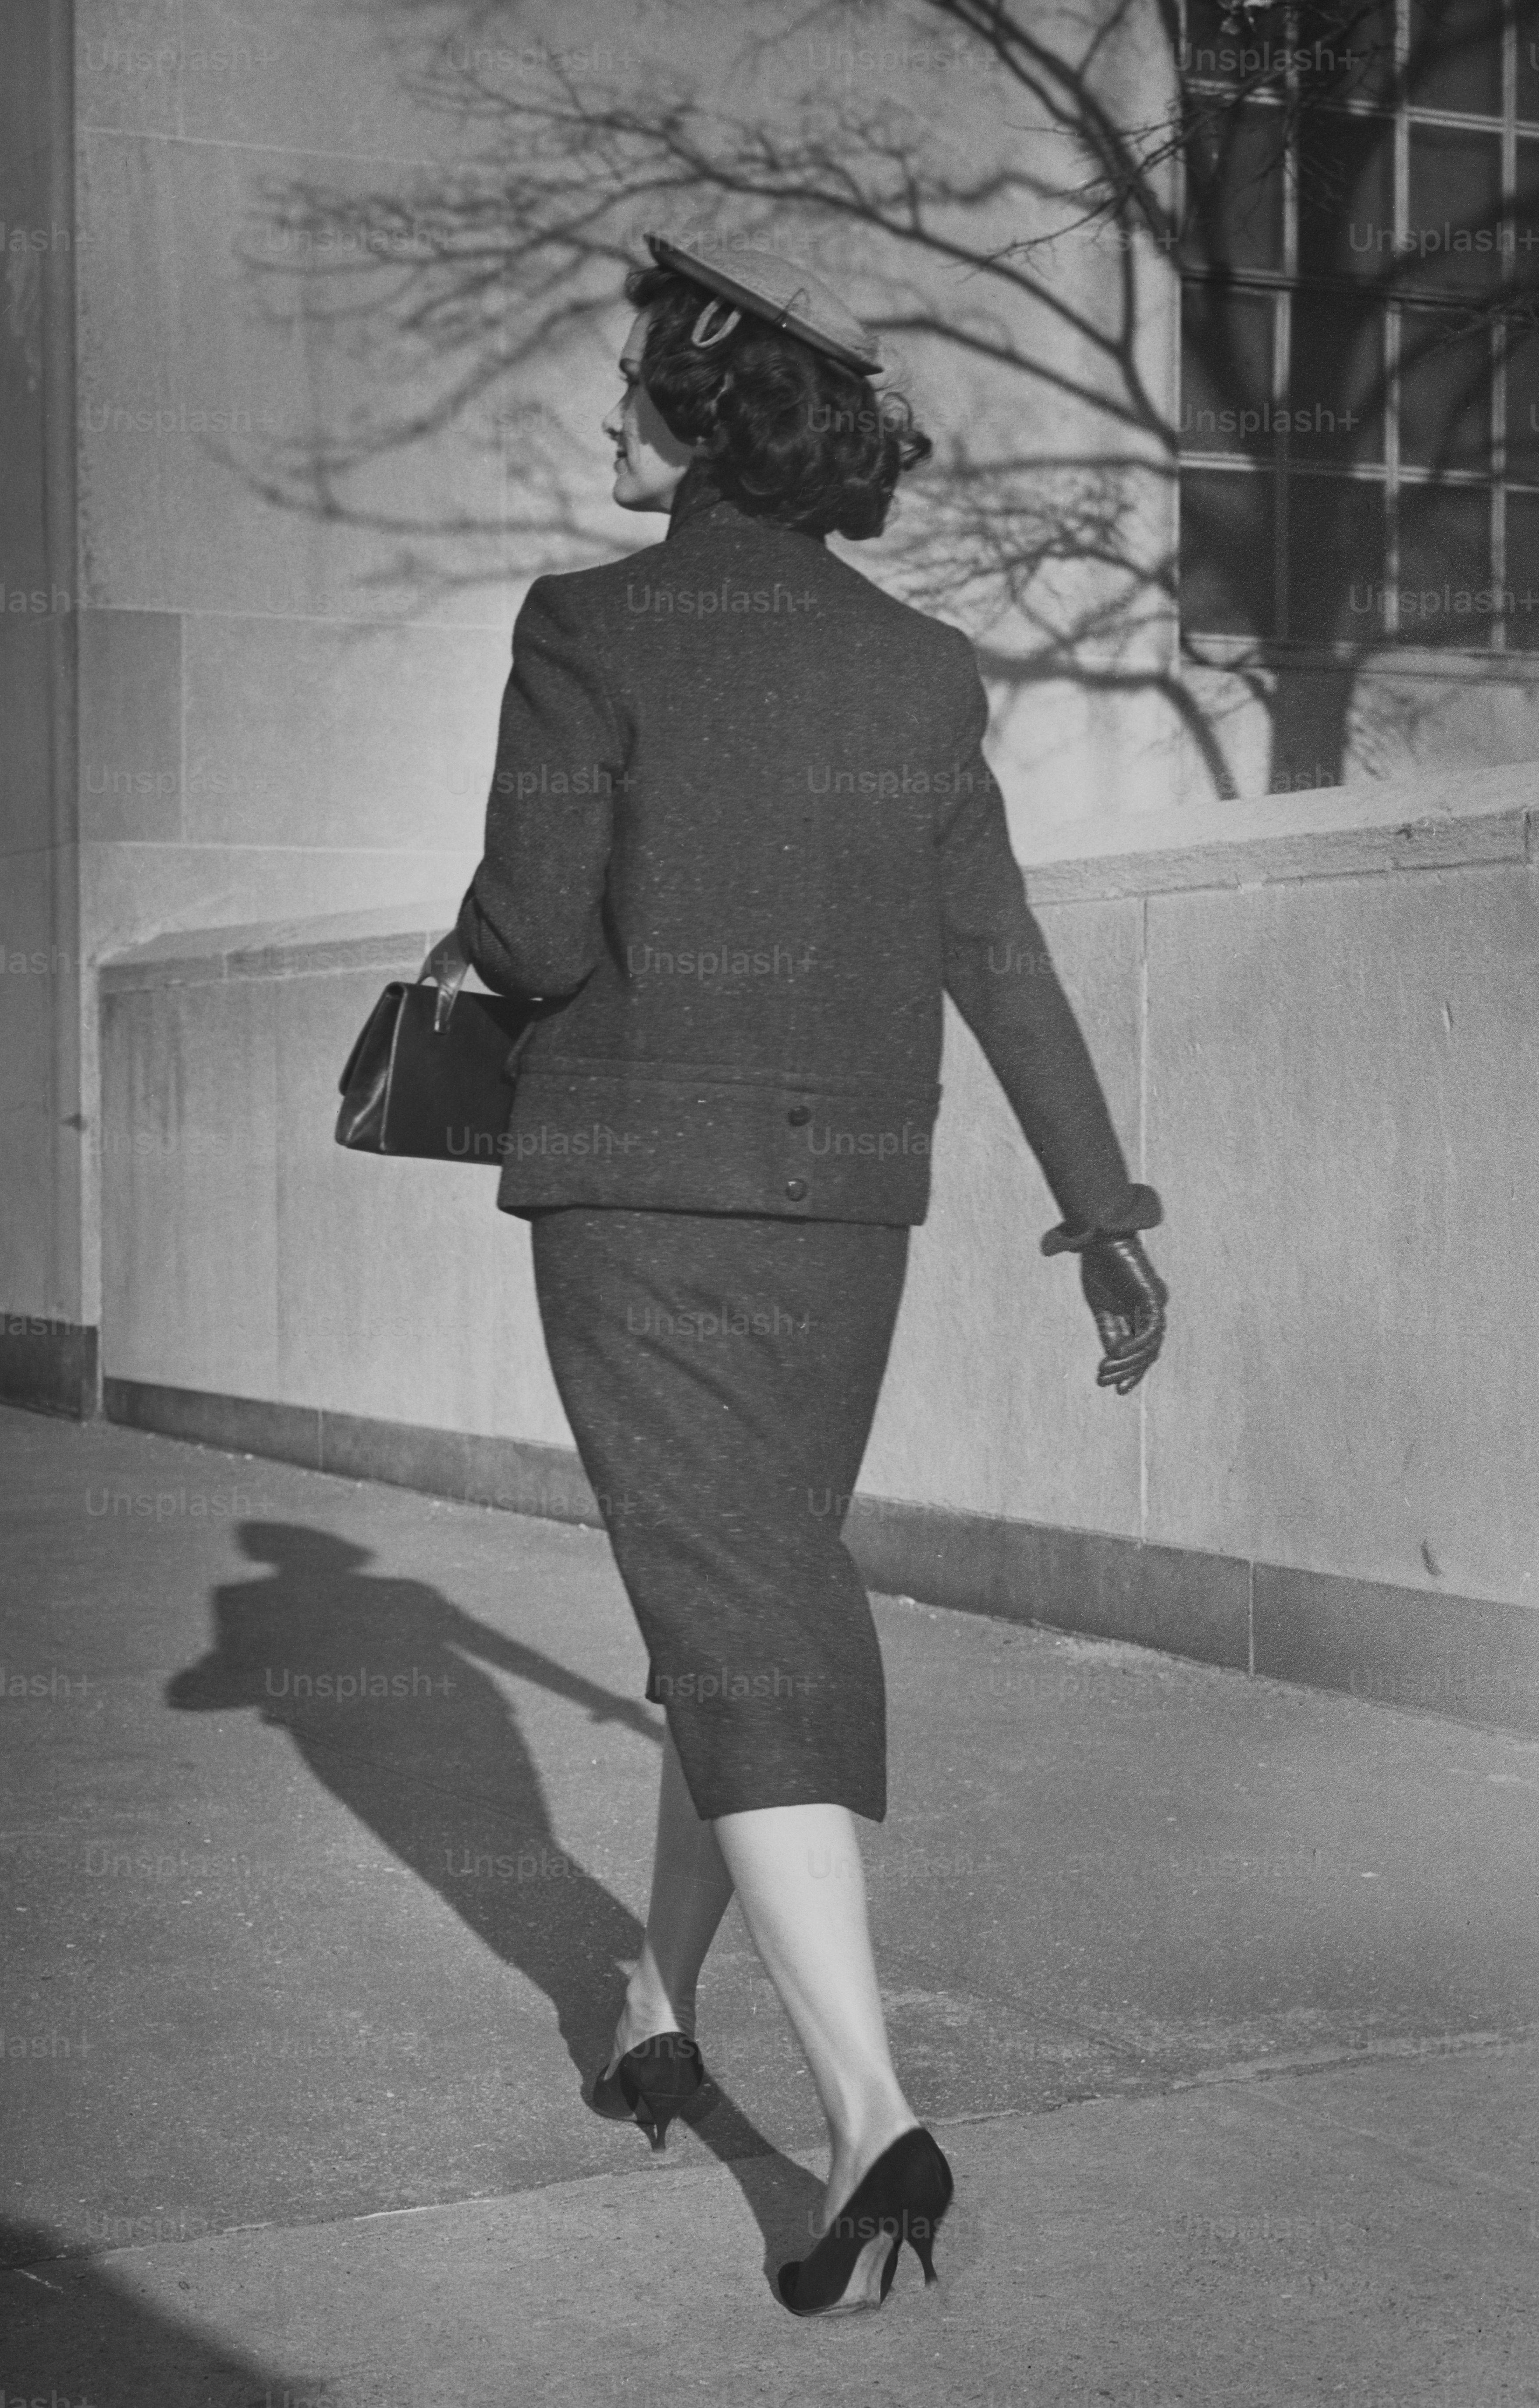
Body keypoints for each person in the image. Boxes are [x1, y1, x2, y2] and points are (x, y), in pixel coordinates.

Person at [427, 230, 1168, 2318]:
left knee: (730, 1593)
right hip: (849, 1214)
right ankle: (657, 1994)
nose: (601, 415)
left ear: (690, 409)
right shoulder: (922, 669)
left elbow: (541, 938)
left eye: (624, 386)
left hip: (640, 1200)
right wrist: (1101, 1211)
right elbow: (997, 957)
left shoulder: (586, 622)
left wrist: (489, 896)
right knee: (737, 1582)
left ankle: (865, 2117)